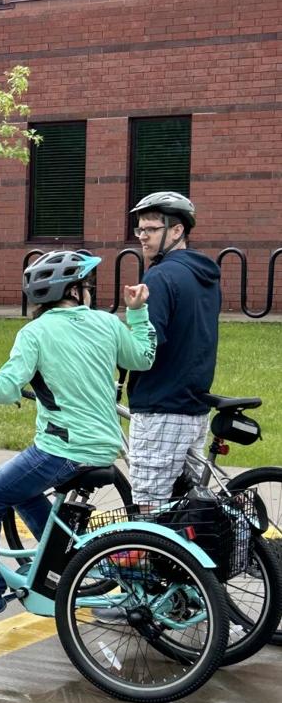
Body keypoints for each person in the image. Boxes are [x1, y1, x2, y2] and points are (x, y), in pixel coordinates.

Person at [0, 251, 156, 618]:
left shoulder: (34, 333)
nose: (90, 292)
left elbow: (4, 387)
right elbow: (143, 357)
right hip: (103, 448)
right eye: (87, 286)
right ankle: (62, 558)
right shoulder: (107, 323)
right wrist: (139, 313)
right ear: (74, 291)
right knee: (19, 490)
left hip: (63, 449)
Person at [124, 192, 221, 510]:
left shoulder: (161, 276)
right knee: (185, 510)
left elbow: (146, 347)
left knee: (149, 511)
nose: (142, 236)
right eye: (140, 229)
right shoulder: (203, 276)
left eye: (151, 229)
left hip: (160, 408)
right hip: (193, 407)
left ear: (176, 230)